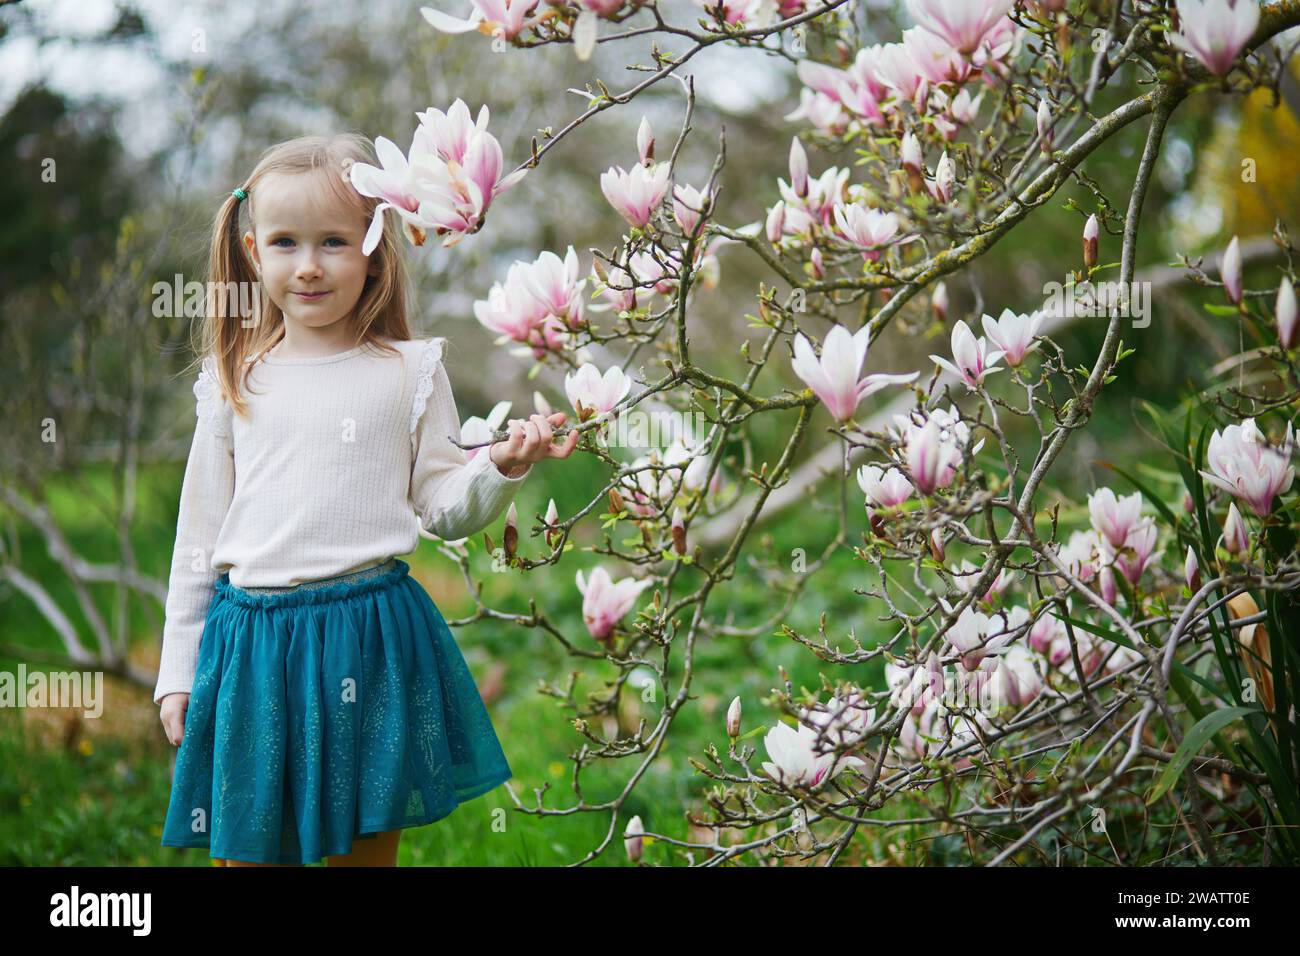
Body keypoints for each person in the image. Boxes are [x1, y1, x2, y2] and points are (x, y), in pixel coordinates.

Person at [154, 132, 578, 867]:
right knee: (245, 852)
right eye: (286, 242)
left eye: (334, 242)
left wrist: (499, 468)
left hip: (368, 638)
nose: (309, 265)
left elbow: (443, 504)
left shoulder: (409, 372)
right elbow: (198, 539)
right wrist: (177, 671)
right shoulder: (234, 381)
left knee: (362, 850)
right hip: (251, 648)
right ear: (255, 253)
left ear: (375, 248)